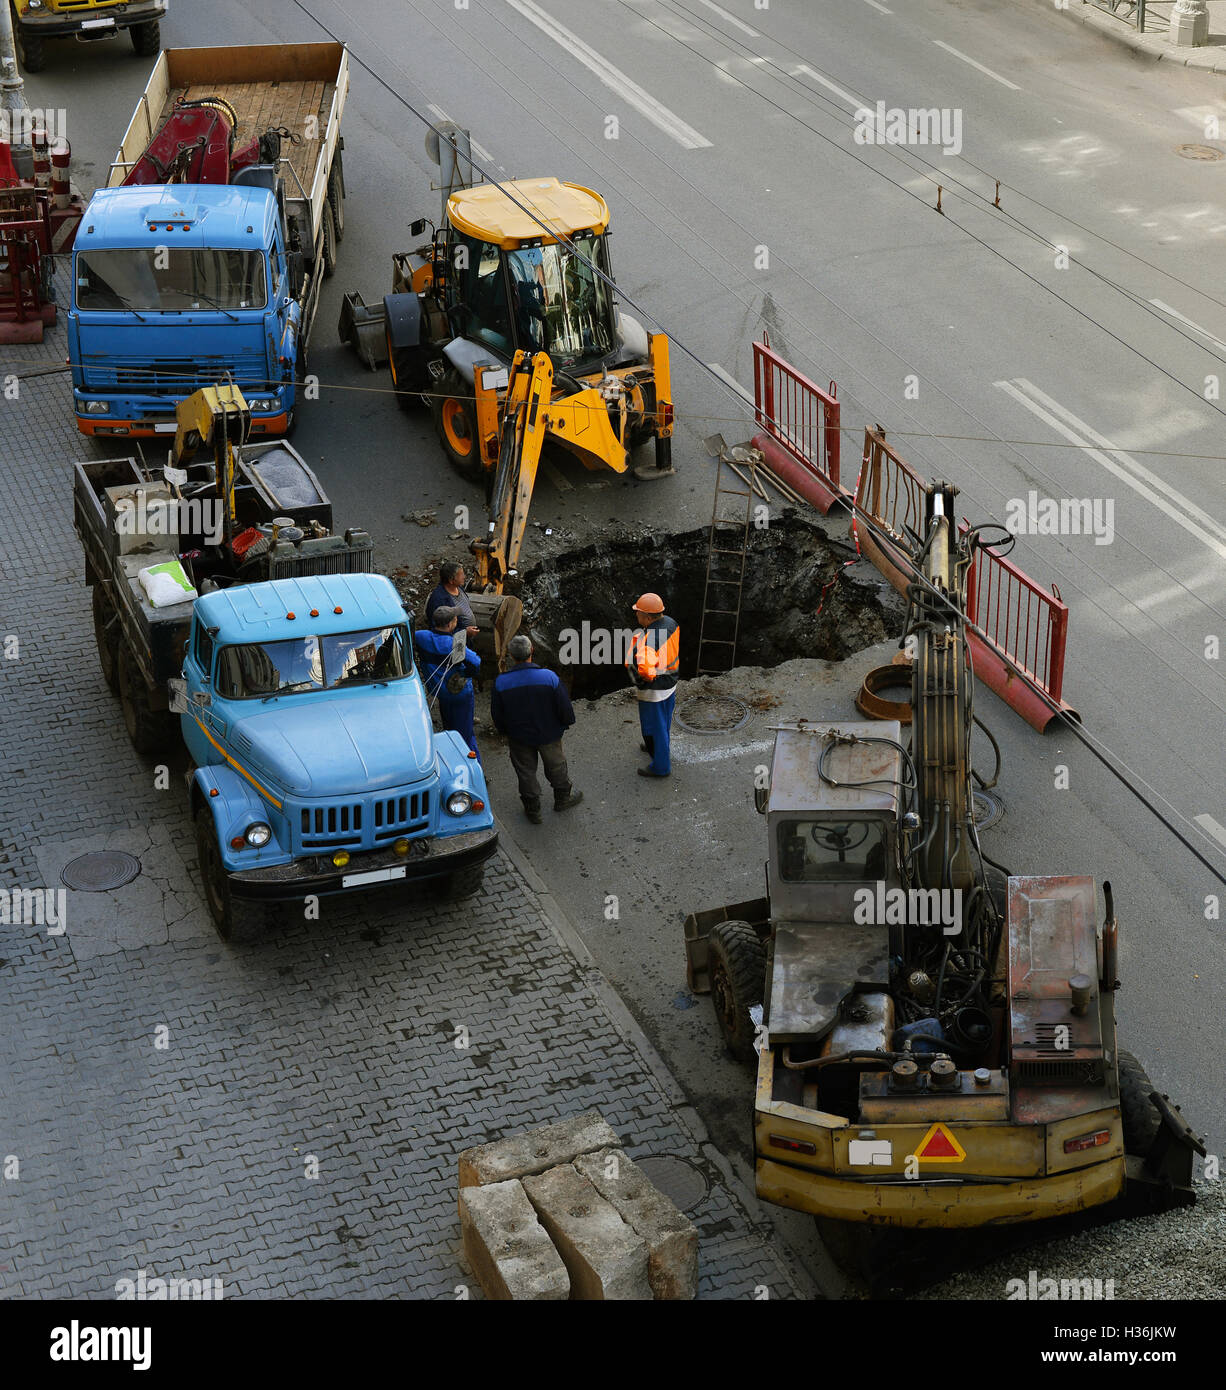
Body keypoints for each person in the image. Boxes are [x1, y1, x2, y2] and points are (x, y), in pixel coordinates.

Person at [490, 634, 583, 824]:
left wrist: (504, 730)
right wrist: (566, 722)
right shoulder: (549, 677)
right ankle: (563, 798)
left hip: (519, 737)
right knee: (556, 764)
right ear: (532, 651)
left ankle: (533, 810)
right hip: (549, 733)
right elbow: (564, 707)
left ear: (511, 656)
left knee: (525, 771)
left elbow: (497, 714)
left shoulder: (501, 682)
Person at [414, 606, 482, 759]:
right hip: (459, 693)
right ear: (452, 623)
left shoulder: (421, 637)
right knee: (466, 734)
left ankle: (453, 758)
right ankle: (473, 767)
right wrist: (467, 673)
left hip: (440, 691)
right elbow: (476, 662)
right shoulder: (453, 644)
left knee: (449, 729)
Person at [625, 592, 679, 778]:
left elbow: (646, 669)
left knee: (655, 724)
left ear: (648, 617)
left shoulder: (651, 639)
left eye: (638, 612)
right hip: (670, 682)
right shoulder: (671, 623)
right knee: (663, 721)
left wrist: (644, 679)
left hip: (655, 689)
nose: (636, 615)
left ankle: (661, 766)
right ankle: (654, 744)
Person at [424, 560, 480, 639]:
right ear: (451, 580)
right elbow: (438, 629)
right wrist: (464, 633)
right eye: (461, 575)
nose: (464, 577)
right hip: (453, 644)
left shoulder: (458, 588)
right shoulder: (439, 599)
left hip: (465, 640)